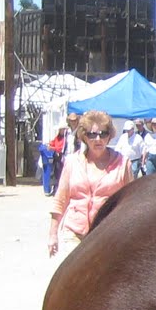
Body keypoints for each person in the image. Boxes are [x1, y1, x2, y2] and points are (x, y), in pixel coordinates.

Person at [47, 110, 134, 259]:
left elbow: (132, 203)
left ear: (110, 135)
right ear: (84, 136)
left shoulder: (123, 163)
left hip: (108, 235)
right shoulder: (72, 162)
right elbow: (60, 200)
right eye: (92, 134)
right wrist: (52, 234)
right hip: (74, 232)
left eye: (103, 134)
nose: (98, 139)